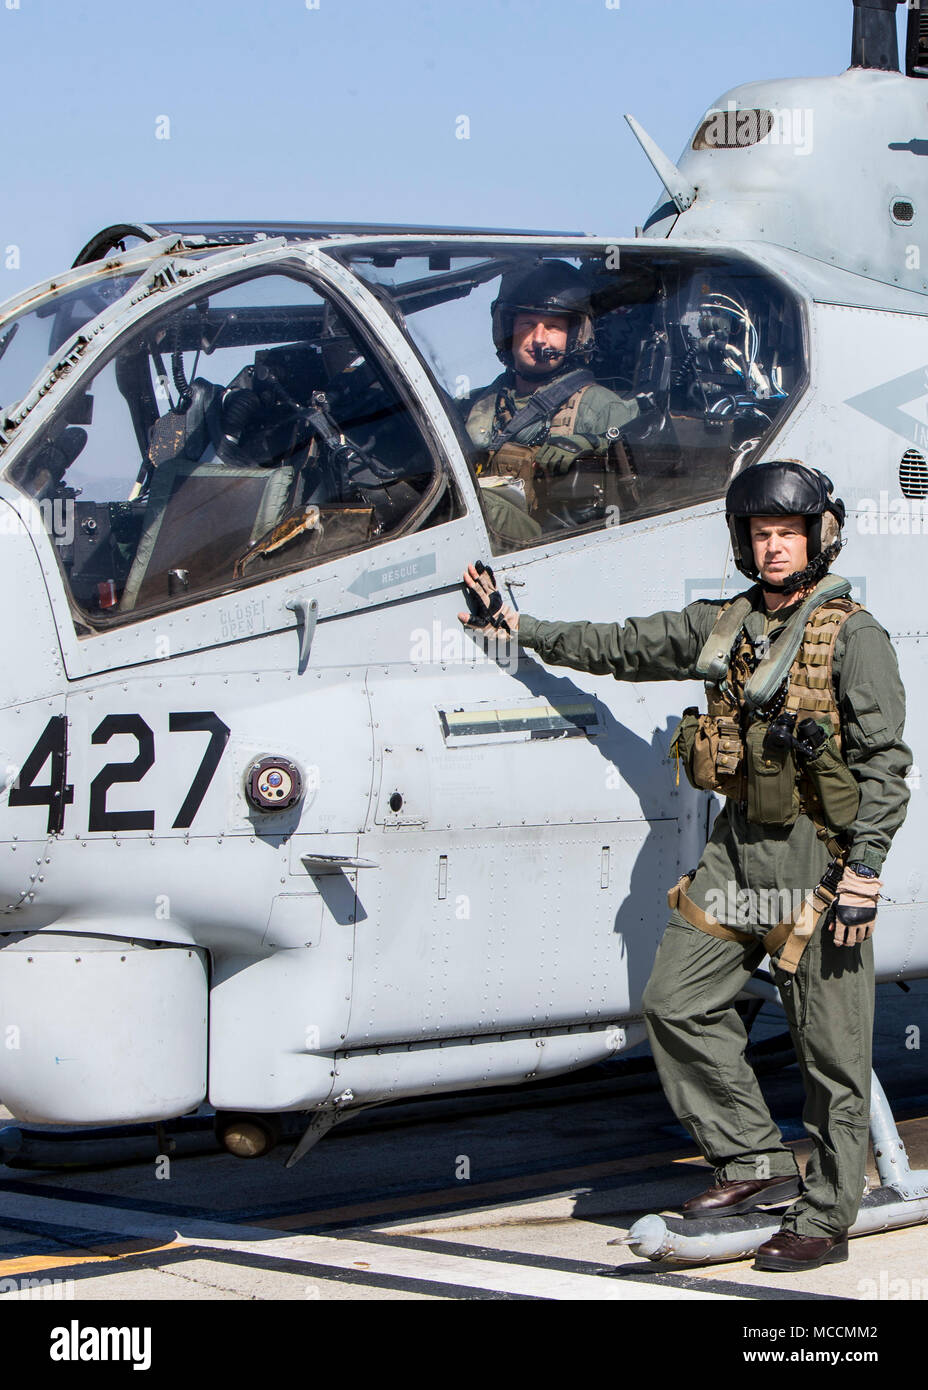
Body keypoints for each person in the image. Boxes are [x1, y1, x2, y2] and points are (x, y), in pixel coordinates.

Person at [458, 458, 910, 1273]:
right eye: (761, 534)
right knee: (675, 1001)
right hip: (737, 852)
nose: (774, 548)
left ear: (819, 537)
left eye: (789, 533)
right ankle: (753, 1158)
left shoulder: (854, 636)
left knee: (830, 1053)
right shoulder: (725, 625)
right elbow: (621, 645)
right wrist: (515, 626)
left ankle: (825, 1215)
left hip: (816, 857)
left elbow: (886, 766)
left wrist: (865, 872)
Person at [462, 260, 639, 545]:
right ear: (508, 330)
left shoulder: (601, 408)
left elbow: (642, 496)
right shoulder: (476, 407)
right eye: (528, 325)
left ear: (575, 335)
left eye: (553, 327)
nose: (539, 339)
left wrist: (594, 444)